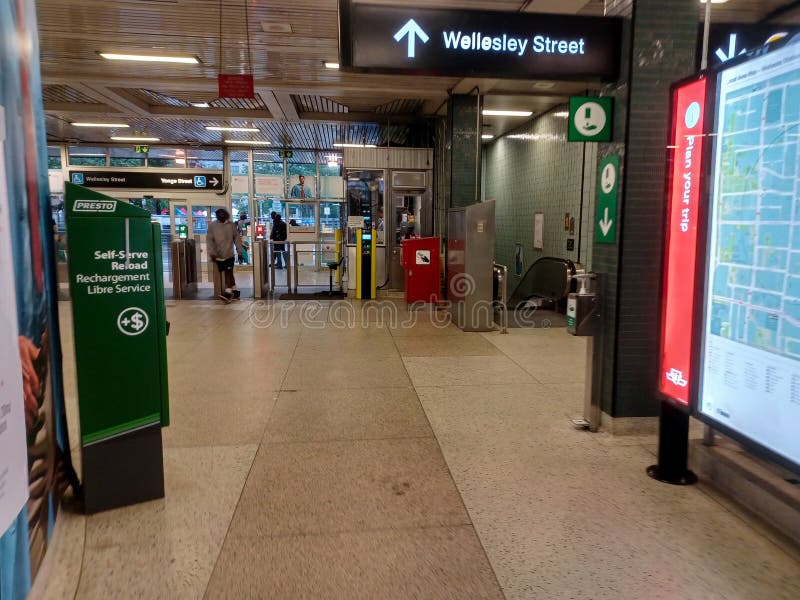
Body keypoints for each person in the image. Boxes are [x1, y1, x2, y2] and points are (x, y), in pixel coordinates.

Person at [207, 208, 243, 303]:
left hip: (229, 254)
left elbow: (237, 239)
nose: (221, 216)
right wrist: (212, 253)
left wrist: (239, 252)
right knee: (228, 273)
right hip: (218, 255)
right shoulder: (212, 226)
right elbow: (210, 240)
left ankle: (228, 293)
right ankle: (235, 291)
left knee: (228, 272)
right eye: (219, 214)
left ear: (226, 215)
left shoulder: (231, 225)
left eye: (223, 214)